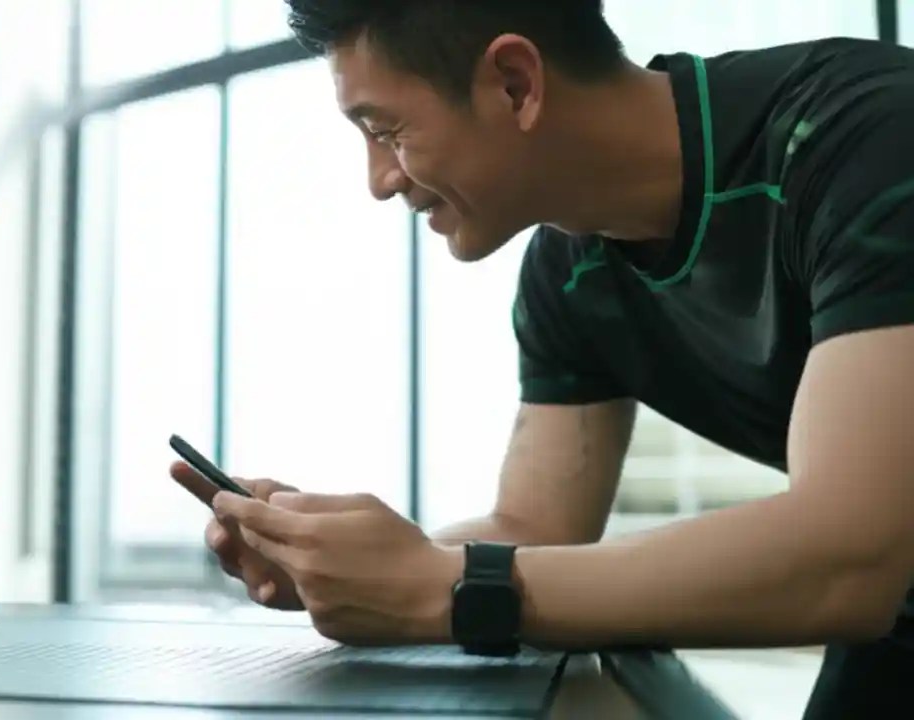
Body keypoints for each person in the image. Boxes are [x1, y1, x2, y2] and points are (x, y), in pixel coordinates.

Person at [170, 1, 914, 716]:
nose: (379, 181)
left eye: (387, 131)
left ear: (514, 84)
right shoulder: (568, 273)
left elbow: (849, 556)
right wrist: (342, 565)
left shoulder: (868, 139)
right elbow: (535, 525)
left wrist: (435, 589)